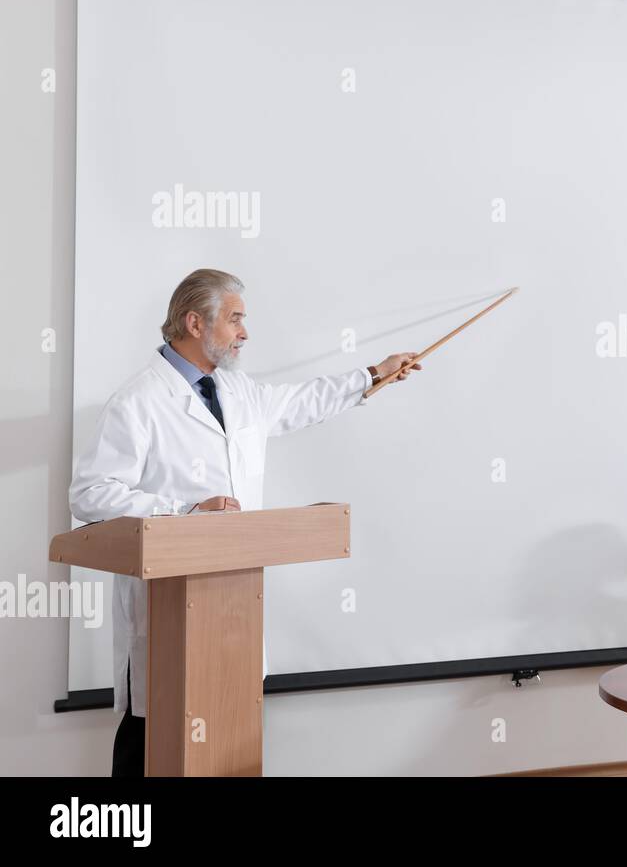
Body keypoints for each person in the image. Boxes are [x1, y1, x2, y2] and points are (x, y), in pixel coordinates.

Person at [69, 268, 423, 776]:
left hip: (230, 610)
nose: (244, 332)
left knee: (224, 740)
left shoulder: (237, 393)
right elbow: (89, 493)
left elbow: (304, 401)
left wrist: (373, 374)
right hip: (165, 614)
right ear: (195, 322)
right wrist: (185, 511)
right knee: (147, 749)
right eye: (235, 319)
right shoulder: (139, 401)